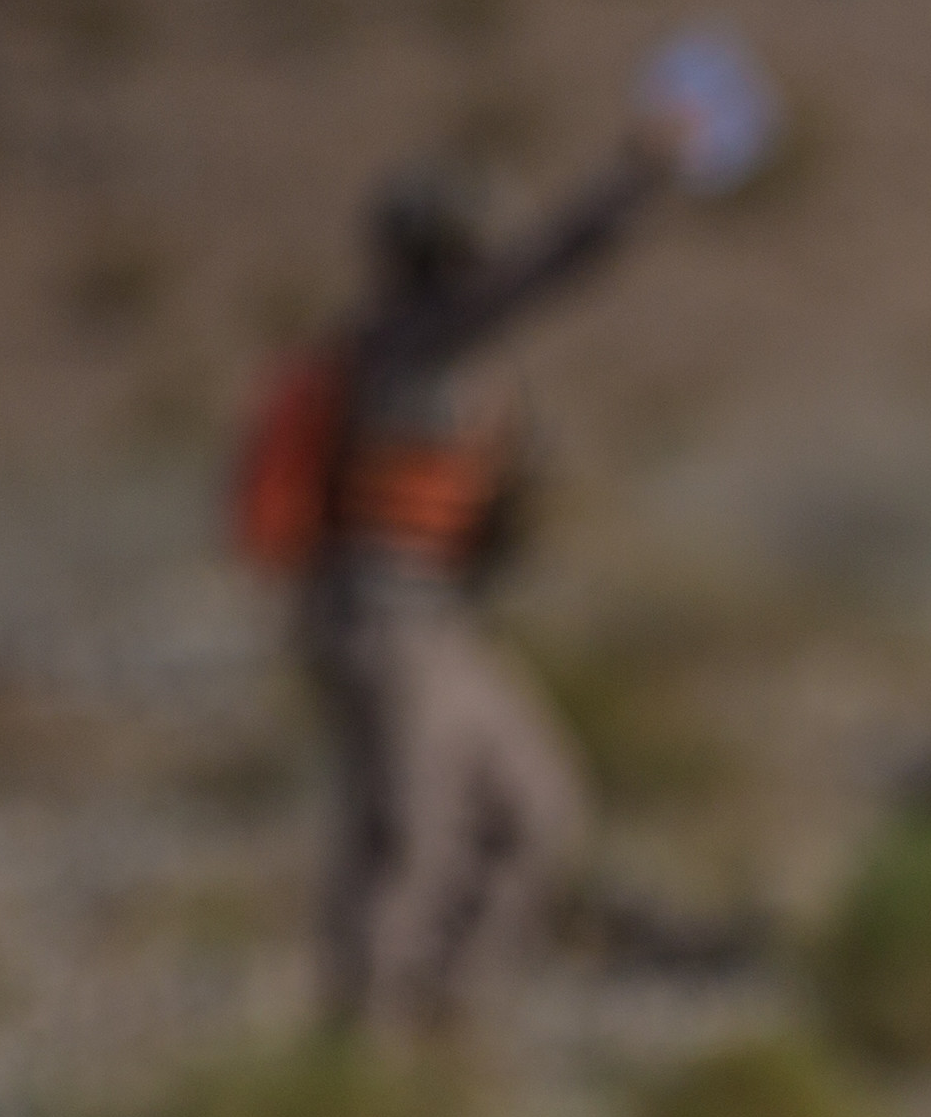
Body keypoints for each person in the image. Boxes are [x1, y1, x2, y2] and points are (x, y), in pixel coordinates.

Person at [257, 112, 707, 1043]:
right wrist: (638, 177)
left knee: (533, 809)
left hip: (443, 622)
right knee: (406, 836)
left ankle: (446, 1017)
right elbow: (548, 271)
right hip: (378, 617)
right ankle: (364, 1055)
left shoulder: (450, 365)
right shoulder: (404, 342)